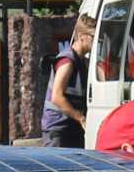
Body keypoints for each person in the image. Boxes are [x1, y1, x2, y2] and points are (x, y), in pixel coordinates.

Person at [40, 16, 94, 149]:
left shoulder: (82, 61)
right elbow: (57, 97)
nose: (97, 40)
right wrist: (80, 118)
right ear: (82, 36)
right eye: (93, 36)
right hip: (58, 129)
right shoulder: (67, 62)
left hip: (71, 127)